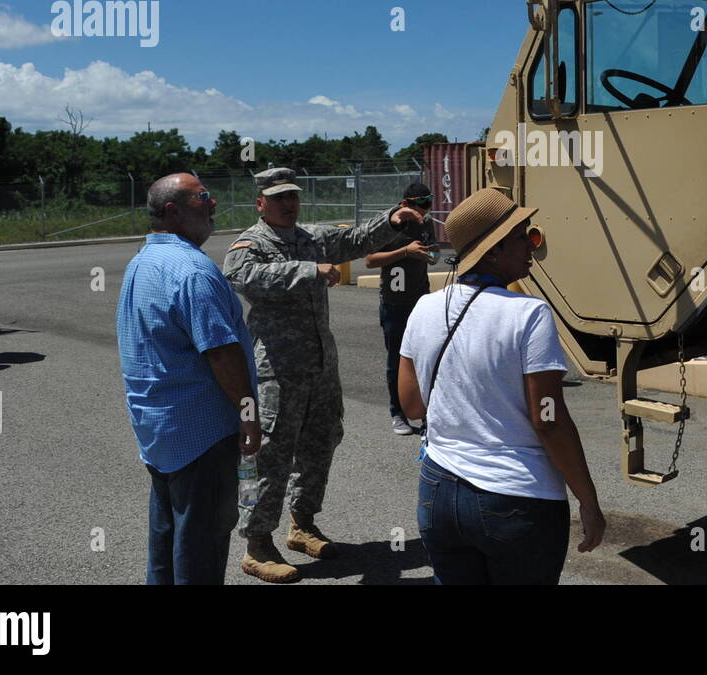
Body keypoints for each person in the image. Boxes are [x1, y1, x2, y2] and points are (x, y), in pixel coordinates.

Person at [223, 167, 424, 583]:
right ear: (260, 202)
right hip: (276, 369)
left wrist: (391, 220)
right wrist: (307, 270)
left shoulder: (311, 236)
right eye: (279, 198)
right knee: (270, 457)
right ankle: (257, 544)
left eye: (292, 196)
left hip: (320, 366)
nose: (289, 203)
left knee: (320, 445)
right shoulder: (252, 243)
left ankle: (302, 525)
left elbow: (356, 240)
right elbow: (240, 276)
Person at [398, 187, 606, 584]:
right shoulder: (528, 314)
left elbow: (412, 406)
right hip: (516, 499)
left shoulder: (424, 307)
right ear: (491, 250)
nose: (533, 244)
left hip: (438, 491)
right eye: (522, 235)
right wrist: (589, 500)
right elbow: (547, 419)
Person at [117, 173, 261, 585]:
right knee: (201, 542)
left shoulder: (143, 261)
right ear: (173, 211)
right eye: (203, 198)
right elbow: (220, 351)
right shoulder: (193, 271)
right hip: (201, 433)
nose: (213, 204)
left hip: (161, 430)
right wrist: (249, 415)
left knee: (167, 536)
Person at [365, 181, 436, 435]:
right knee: (396, 359)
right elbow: (370, 260)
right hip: (395, 302)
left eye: (430, 202)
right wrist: (405, 251)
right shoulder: (390, 225)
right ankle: (398, 413)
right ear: (405, 204)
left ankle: (426, 412)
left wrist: (431, 254)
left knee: (425, 357)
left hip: (421, 300)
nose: (427, 209)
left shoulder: (426, 223)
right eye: (422, 204)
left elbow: (431, 249)